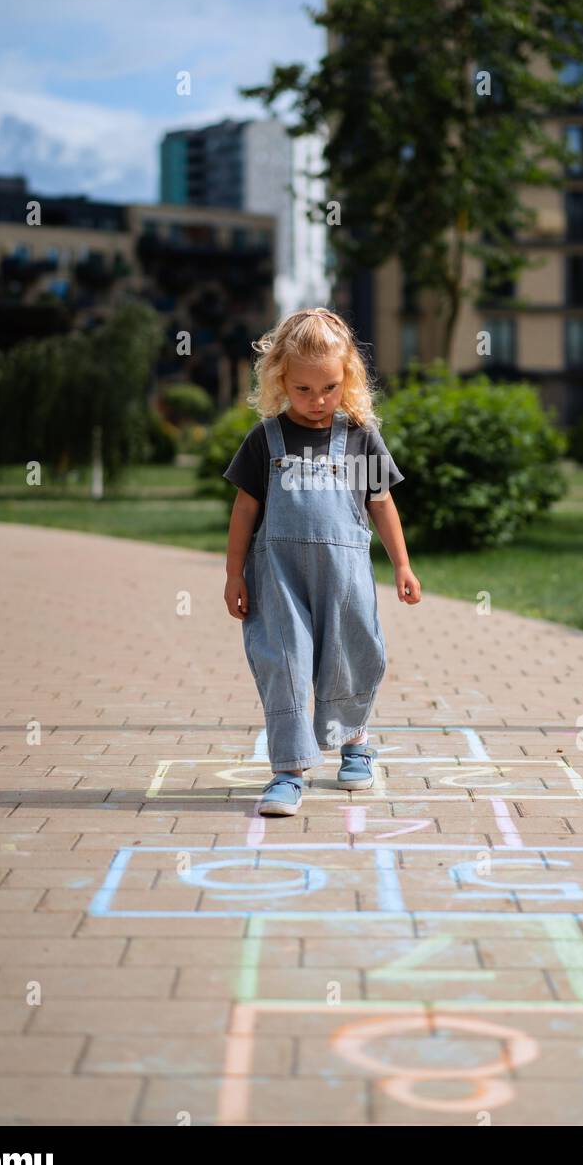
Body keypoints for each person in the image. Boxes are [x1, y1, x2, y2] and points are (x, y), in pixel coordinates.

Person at [222, 307, 421, 816]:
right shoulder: (264, 440)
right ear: (280, 379)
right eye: (303, 390)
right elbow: (245, 509)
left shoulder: (360, 437)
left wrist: (402, 565)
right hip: (279, 579)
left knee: (350, 655)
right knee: (283, 664)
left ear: (347, 377)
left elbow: (381, 503)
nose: (317, 401)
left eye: (329, 388)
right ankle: (287, 772)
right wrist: (233, 574)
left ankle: (354, 743)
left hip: (346, 578)